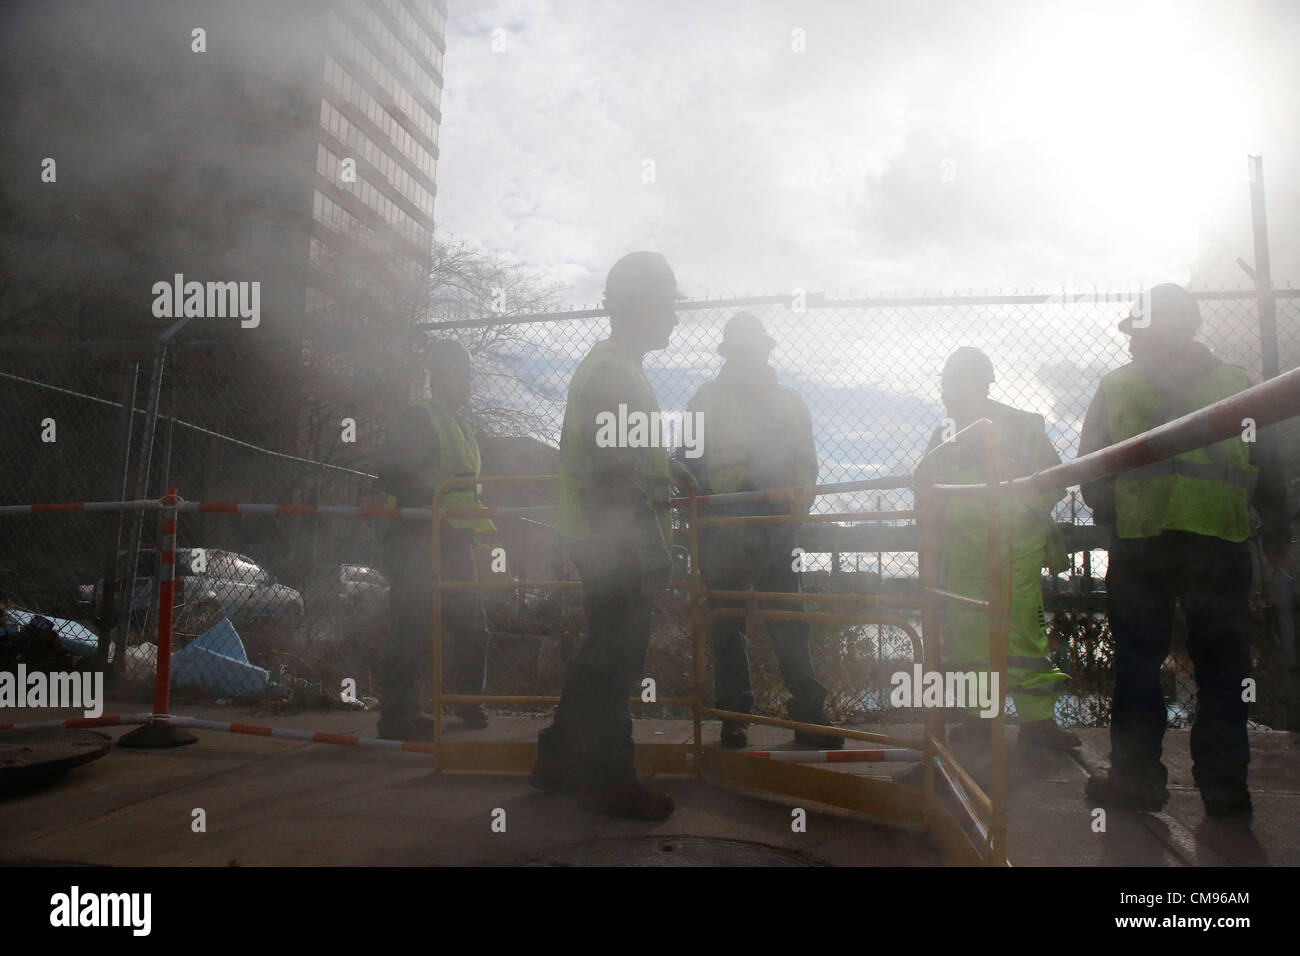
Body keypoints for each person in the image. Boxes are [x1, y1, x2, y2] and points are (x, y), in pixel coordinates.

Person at [1080, 284, 1290, 818]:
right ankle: (1224, 789)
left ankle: (1135, 779)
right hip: (1218, 540)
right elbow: (1267, 465)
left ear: (1148, 331)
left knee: (1138, 660)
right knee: (1223, 665)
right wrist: (1278, 537)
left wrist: (1115, 515)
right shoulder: (1238, 384)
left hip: (1143, 541)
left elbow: (1090, 469)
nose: (1131, 346)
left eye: (1135, 333)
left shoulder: (1118, 386)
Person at [529, 251, 694, 820]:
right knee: (617, 657)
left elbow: (624, 458)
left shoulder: (618, 368)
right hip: (614, 541)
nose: (675, 317)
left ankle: (557, 759)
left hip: (603, 537)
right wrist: (646, 553)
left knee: (603, 652)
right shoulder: (614, 373)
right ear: (641, 306)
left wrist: (670, 470)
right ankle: (607, 781)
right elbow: (613, 474)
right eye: (668, 305)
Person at [683, 312, 842, 749]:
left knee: (789, 621)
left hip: (773, 531)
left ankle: (809, 715)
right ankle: (735, 717)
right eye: (742, 352)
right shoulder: (705, 400)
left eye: (753, 351)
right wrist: (712, 510)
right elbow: (690, 462)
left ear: (765, 353)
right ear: (730, 355)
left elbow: (806, 464)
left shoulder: (790, 402)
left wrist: (790, 513)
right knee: (726, 624)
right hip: (724, 531)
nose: (748, 360)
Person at [924, 347, 1077, 750]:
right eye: (944, 385)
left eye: (953, 384)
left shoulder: (1023, 426)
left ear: (979, 385)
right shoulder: (944, 435)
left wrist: (1014, 511)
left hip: (1014, 551)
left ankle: (1039, 724)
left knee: (1024, 634)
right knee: (970, 635)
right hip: (963, 554)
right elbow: (928, 493)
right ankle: (980, 723)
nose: (946, 394)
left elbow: (1054, 482)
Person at [373, 340, 495, 741]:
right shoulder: (421, 418)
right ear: (443, 377)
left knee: (471, 624)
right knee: (411, 624)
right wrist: (431, 503)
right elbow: (392, 470)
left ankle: (466, 701)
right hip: (418, 537)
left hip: (454, 539)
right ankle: (398, 714)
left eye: (469, 376)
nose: (469, 384)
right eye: (463, 375)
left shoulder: (459, 424)